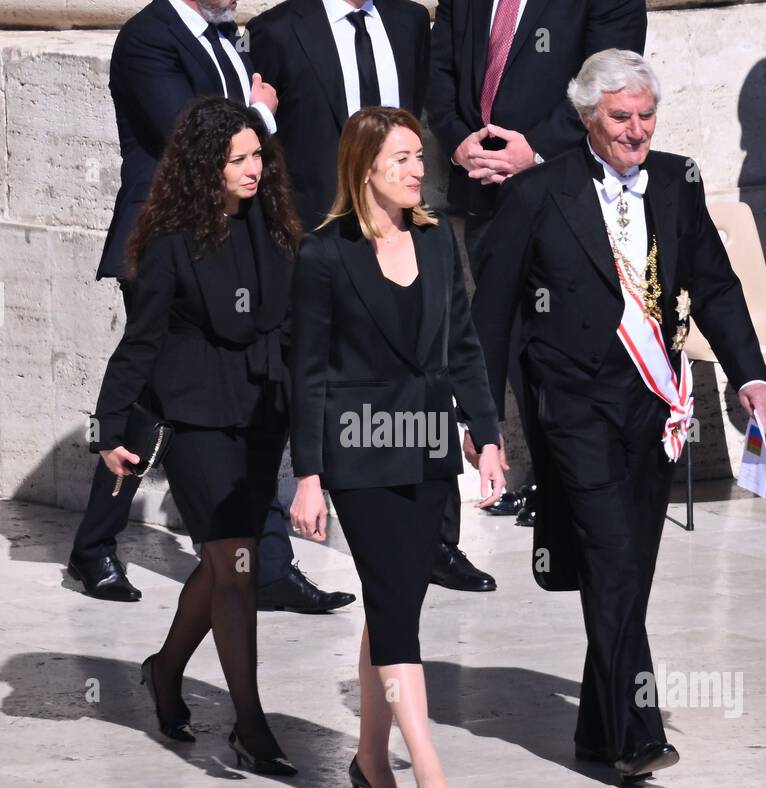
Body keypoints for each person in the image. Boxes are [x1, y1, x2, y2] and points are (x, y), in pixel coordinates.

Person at [472, 50, 766, 781]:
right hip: (572, 407)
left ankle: (593, 725)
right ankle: (635, 734)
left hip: (656, 408)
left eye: (645, 116)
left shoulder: (676, 181)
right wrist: (483, 427)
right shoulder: (540, 192)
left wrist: (751, 374)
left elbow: (717, 284)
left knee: (629, 571)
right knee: (611, 560)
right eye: (620, 118)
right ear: (587, 121)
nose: (636, 131)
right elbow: (491, 312)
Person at [69, 0, 353, 615]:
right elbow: (187, 139)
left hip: (233, 239)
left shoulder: (232, 35)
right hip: (168, 241)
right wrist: (262, 114)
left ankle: (269, 567)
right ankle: (95, 544)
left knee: (257, 390)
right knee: (149, 402)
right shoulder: (148, 38)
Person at [289, 108, 507, 788]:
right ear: (364, 168)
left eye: (420, 157)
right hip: (357, 455)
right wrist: (311, 475)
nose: (419, 170)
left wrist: (486, 432)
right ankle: (428, 762)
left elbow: (465, 345)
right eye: (403, 159)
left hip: (428, 449)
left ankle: (370, 759)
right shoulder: (323, 255)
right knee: (393, 605)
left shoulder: (440, 242)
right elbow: (310, 374)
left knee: (395, 606)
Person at [93, 98, 299, 774]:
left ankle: (165, 670)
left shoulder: (275, 228)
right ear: (204, 166)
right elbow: (141, 340)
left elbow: (296, 325)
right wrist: (110, 425)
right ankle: (251, 725)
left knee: (221, 569)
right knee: (238, 568)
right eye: (236, 158)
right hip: (198, 424)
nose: (251, 169)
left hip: (262, 420)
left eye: (256, 156)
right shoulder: (169, 243)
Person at [425, 0, 648, 559]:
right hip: (483, 187)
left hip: (563, 189)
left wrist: (536, 148)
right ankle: (544, 479)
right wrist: (457, 140)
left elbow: (612, 80)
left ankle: (576, 483)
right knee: (507, 333)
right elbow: (442, 68)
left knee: (565, 336)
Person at [246, 0, 431, 232]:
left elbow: (414, 105)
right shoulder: (274, 30)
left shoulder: (412, 20)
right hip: (317, 225)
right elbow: (259, 137)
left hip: (400, 223)